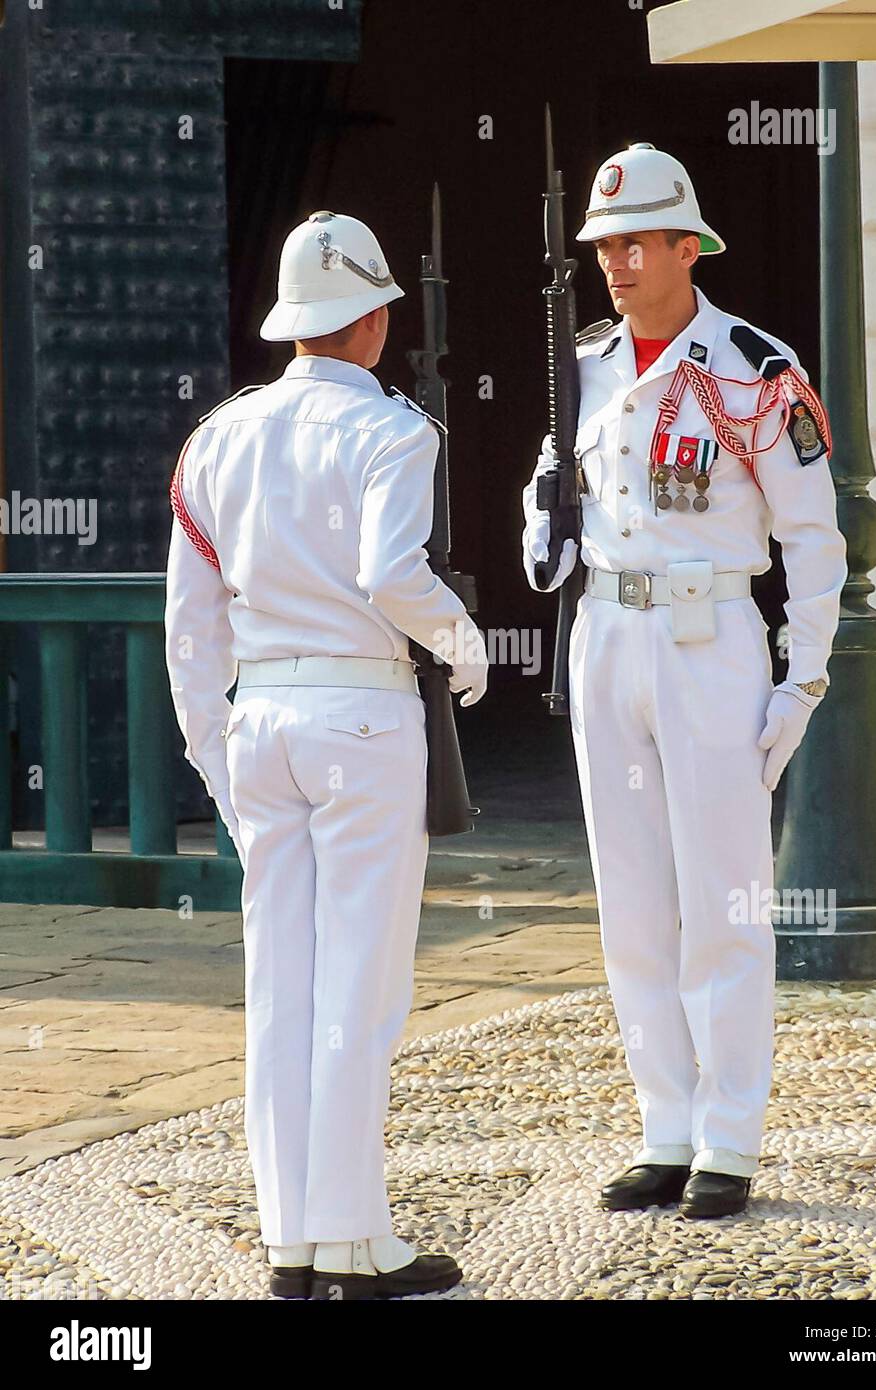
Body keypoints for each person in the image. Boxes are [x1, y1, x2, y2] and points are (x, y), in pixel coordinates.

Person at [165, 210, 487, 1297]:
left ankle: (290, 1243)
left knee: (280, 985)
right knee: (360, 982)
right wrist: (463, 638)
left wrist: (217, 754)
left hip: (262, 721)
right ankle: (357, 1242)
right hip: (360, 716)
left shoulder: (217, 434)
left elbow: (190, 626)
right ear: (376, 319)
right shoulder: (397, 433)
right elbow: (393, 575)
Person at [522, 144, 847, 1218]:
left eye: (630, 243)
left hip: (711, 643)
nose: (611, 262)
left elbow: (811, 538)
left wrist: (800, 680)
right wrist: (543, 532)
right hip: (607, 636)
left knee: (724, 902)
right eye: (600, 247)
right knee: (632, 904)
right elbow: (558, 498)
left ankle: (729, 1138)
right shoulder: (582, 366)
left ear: (683, 246)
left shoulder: (753, 368)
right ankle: (662, 1124)